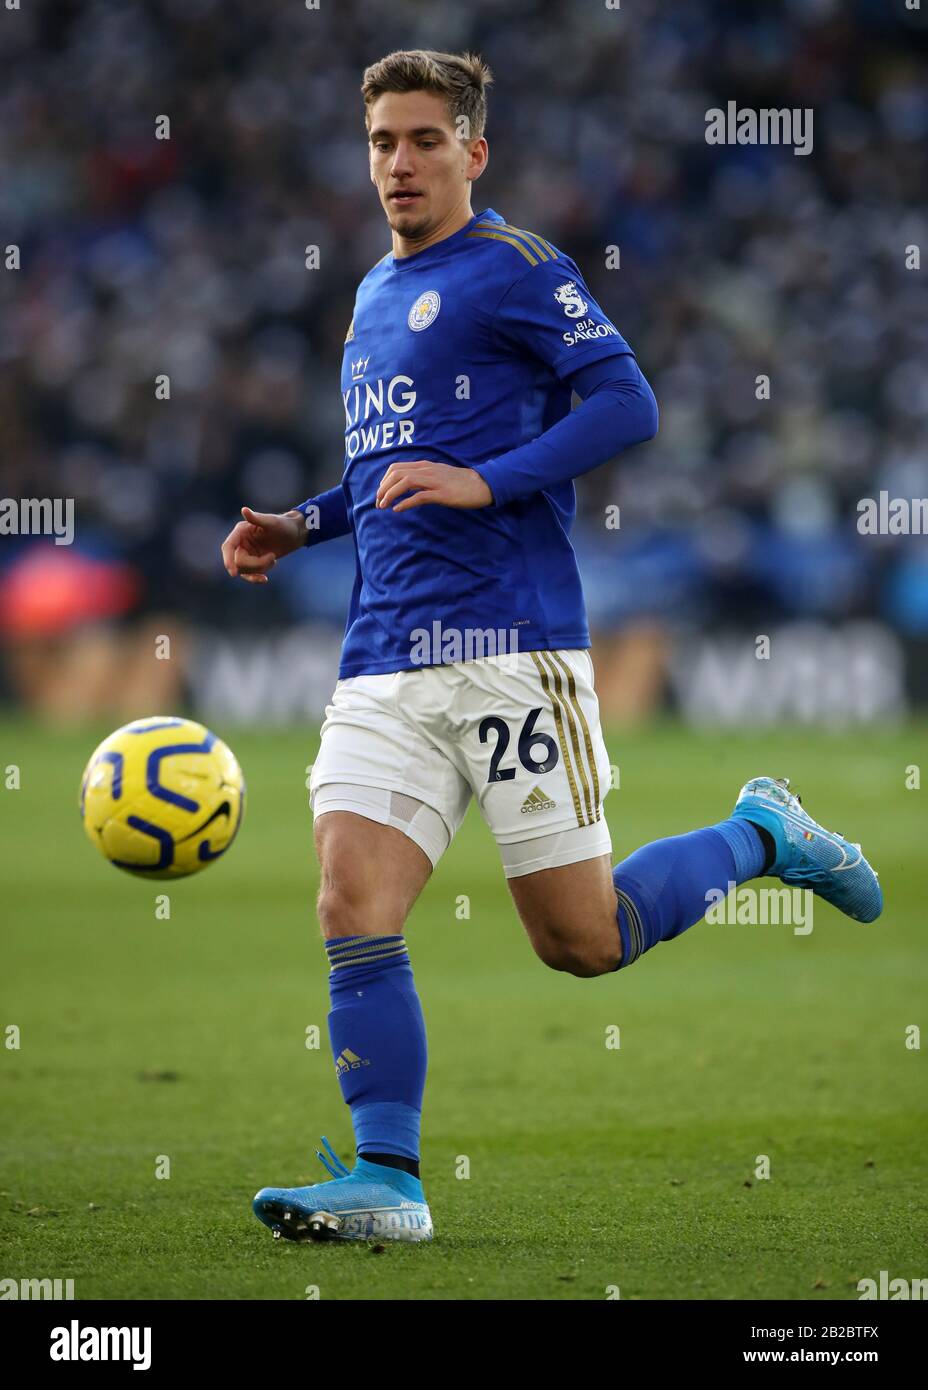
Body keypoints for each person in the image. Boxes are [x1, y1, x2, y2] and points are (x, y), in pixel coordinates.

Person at [221, 49, 882, 1245]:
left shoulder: (519, 269)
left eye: (425, 139)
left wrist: (485, 483)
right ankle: (390, 1181)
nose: (400, 163)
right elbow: (389, 476)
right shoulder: (371, 294)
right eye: (382, 142)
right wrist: (304, 523)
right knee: (348, 898)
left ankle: (761, 832)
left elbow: (627, 401)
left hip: (513, 646)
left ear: (474, 151)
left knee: (580, 942)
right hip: (381, 655)